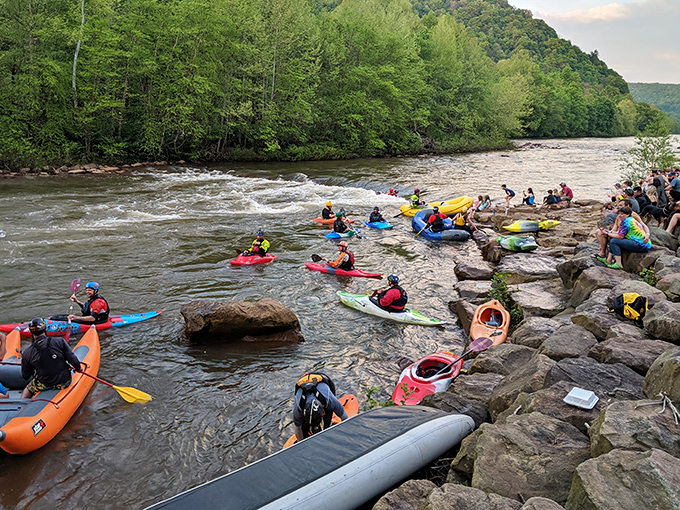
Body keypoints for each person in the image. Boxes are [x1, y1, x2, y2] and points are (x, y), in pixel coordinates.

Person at [21, 318, 82, 399]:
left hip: (44, 384)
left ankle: (21, 405)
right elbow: (74, 361)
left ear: (31, 332)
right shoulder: (60, 341)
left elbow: (26, 376)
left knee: (28, 389)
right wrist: (78, 369)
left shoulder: (27, 353)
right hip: (64, 382)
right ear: (45, 329)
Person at [293, 372, 348, 441]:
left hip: (323, 383)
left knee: (326, 424)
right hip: (304, 386)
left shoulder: (329, 399)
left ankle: (326, 426)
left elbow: (345, 418)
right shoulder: (298, 406)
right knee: (304, 428)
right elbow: (297, 427)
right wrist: (300, 441)